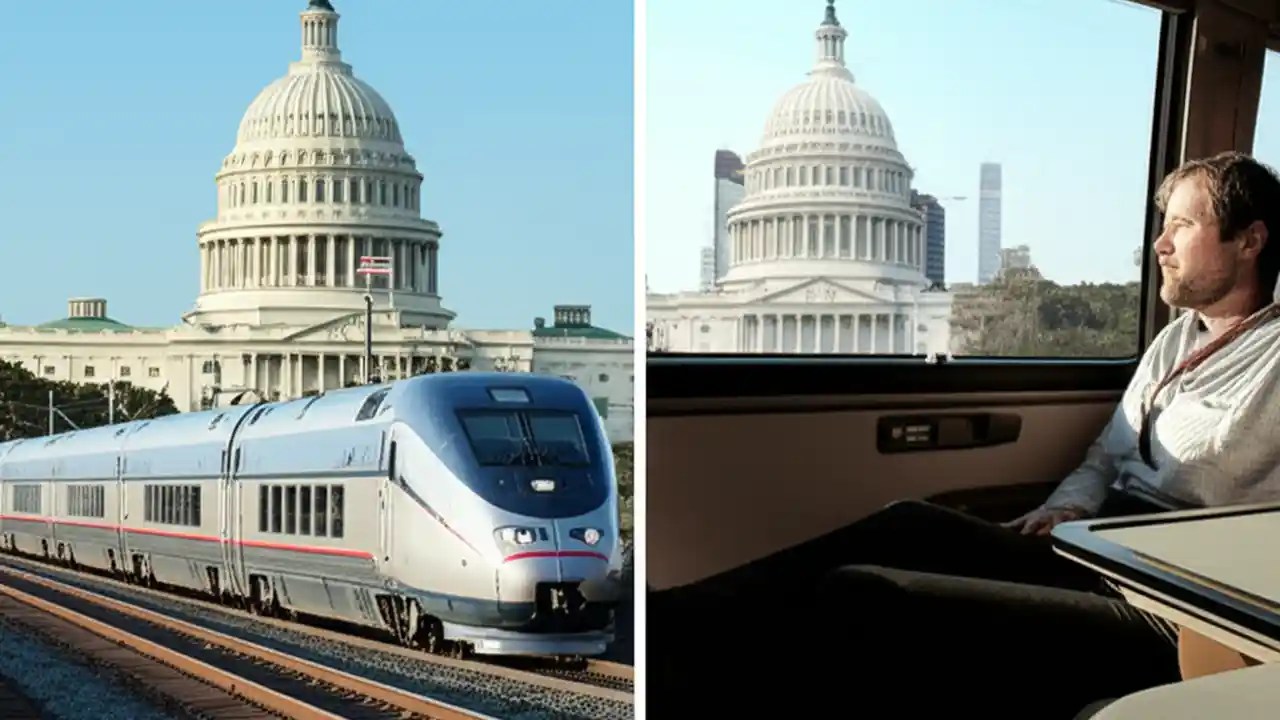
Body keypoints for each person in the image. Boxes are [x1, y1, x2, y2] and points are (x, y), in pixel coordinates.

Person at [648, 151, 1280, 718]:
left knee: (864, 594)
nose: (1160, 244)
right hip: (1094, 546)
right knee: (909, 523)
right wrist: (1066, 505)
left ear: (1250, 240)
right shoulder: (1177, 338)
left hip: (1179, 610)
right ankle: (673, 620)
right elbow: (1107, 454)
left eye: (1183, 226)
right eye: (1163, 224)